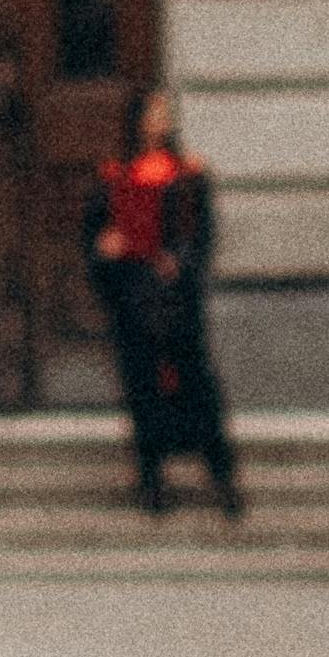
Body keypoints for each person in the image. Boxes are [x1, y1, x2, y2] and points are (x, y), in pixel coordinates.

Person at [84, 81, 238, 518]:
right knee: (143, 391)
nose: (159, 120)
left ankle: (222, 476)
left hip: (176, 301)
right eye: (152, 112)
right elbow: (94, 239)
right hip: (134, 297)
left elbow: (202, 235)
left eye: (164, 112)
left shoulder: (187, 174)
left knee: (198, 389)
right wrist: (106, 247)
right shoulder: (114, 176)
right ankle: (152, 480)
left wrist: (180, 261)